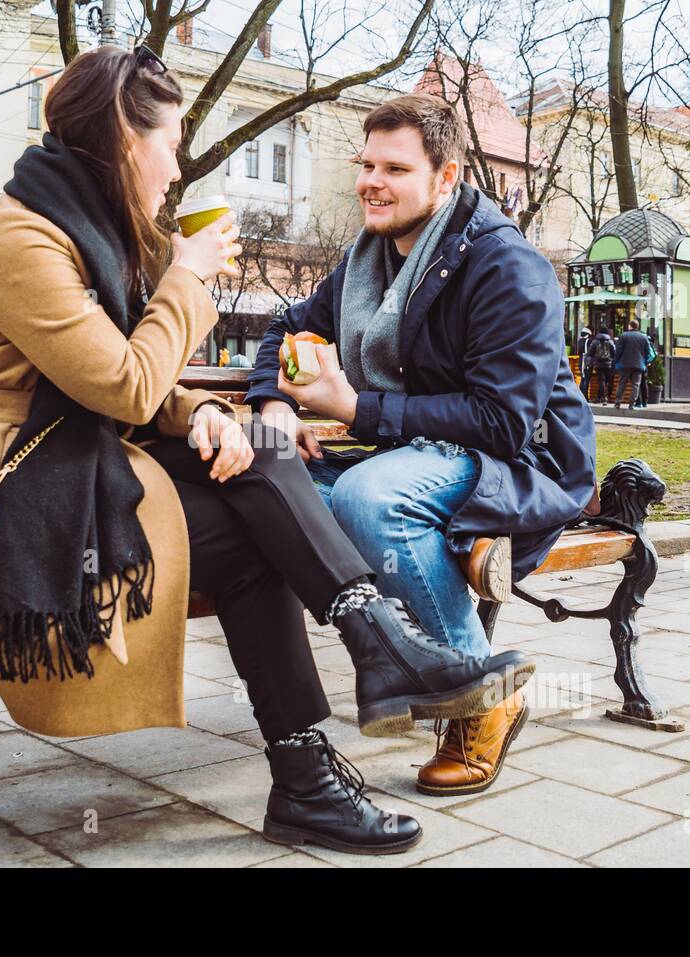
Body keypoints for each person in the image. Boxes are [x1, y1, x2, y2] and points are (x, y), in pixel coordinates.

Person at [0, 47, 530, 855]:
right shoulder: (23, 241)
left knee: (255, 452)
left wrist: (207, 412)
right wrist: (189, 278)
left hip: (75, 453)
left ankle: (366, 673)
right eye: (168, 142)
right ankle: (342, 715)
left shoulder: (92, 227)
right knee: (252, 528)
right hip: (1, 483)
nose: (175, 166)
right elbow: (126, 385)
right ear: (123, 142)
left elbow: (126, 380)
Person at [245, 93, 593, 797]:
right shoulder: (366, 262)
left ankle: (481, 699)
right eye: (366, 163)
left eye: (395, 168)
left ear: (446, 177)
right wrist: (273, 402)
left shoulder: (506, 266)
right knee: (273, 489)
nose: (372, 180)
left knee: (371, 496)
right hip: (414, 451)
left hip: (522, 460)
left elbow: (504, 419)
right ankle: (389, 669)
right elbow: (283, 328)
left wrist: (355, 408)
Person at [613, 319, 650, 410]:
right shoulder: (643, 337)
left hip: (624, 364)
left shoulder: (623, 335)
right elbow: (648, 352)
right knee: (636, 385)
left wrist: (615, 361)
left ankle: (617, 402)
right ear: (637, 326)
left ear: (630, 326)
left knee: (622, 383)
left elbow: (618, 351)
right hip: (638, 365)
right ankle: (632, 404)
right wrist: (644, 362)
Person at [584, 328, 614, 403]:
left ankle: (601, 397)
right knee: (607, 381)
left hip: (598, 364)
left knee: (601, 381)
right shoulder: (610, 341)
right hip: (609, 364)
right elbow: (614, 353)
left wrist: (588, 363)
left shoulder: (594, 342)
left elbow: (590, 353)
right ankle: (605, 397)